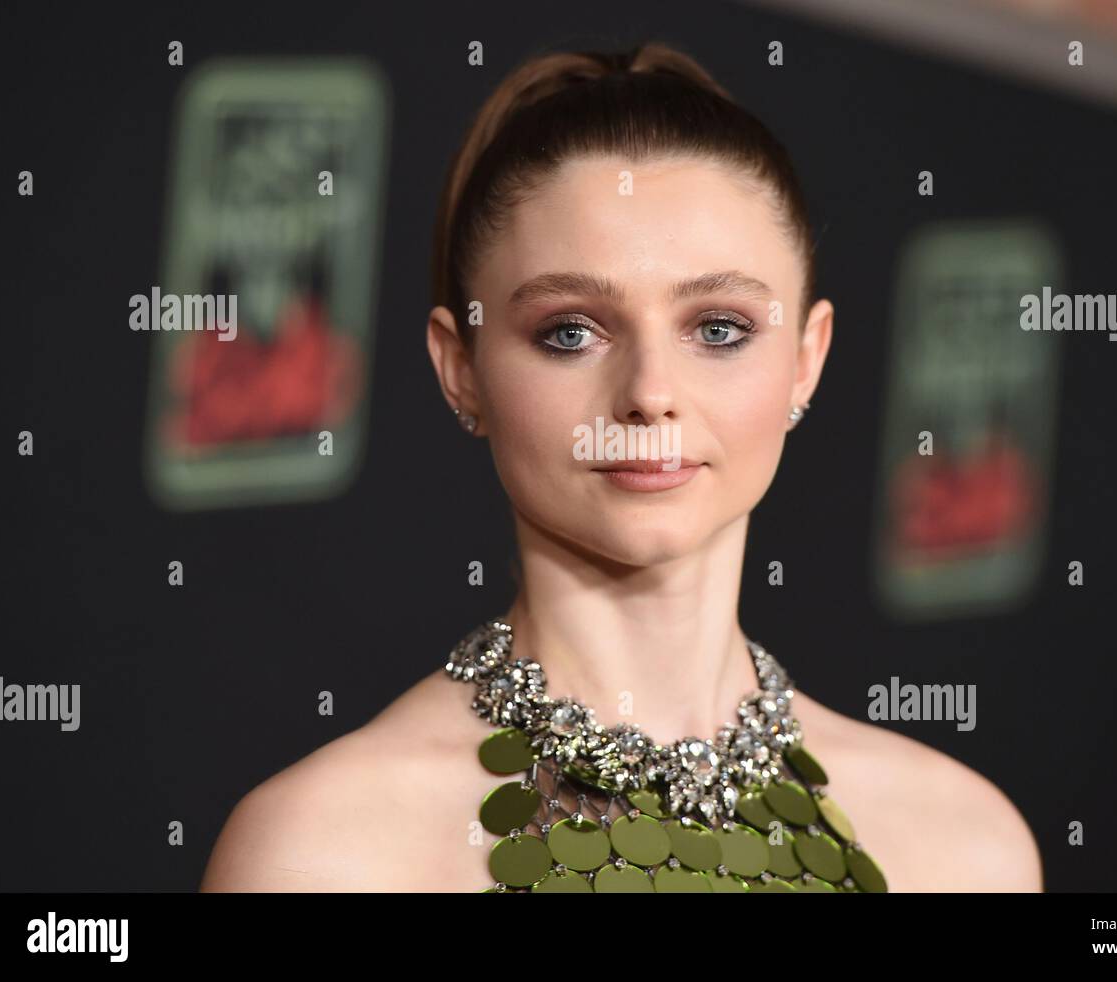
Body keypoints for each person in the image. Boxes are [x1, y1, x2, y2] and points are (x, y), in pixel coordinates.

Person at [200, 41, 1043, 893]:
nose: (649, 395)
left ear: (805, 359)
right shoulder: (322, 854)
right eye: (570, 331)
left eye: (719, 328)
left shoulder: (965, 848)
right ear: (462, 369)